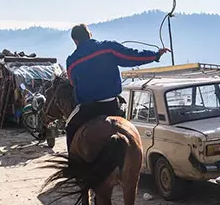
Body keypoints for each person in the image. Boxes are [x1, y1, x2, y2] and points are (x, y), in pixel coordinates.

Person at [64, 23, 169, 153]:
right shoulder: (108, 48)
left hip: (87, 109)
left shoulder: (72, 61)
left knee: (70, 128)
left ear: (75, 41)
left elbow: (73, 82)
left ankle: (73, 169)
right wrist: (155, 55)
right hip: (112, 105)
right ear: (90, 35)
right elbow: (132, 56)